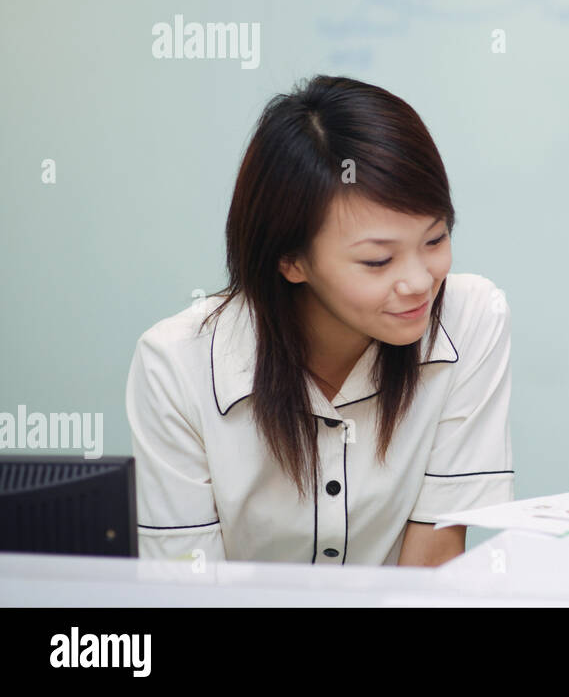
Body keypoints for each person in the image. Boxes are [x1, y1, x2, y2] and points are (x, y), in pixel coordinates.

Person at [126, 75, 513, 566]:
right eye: (378, 261)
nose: (419, 282)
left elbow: (430, 569)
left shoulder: (470, 317)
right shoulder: (175, 366)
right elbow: (188, 589)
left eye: (435, 240)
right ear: (291, 260)